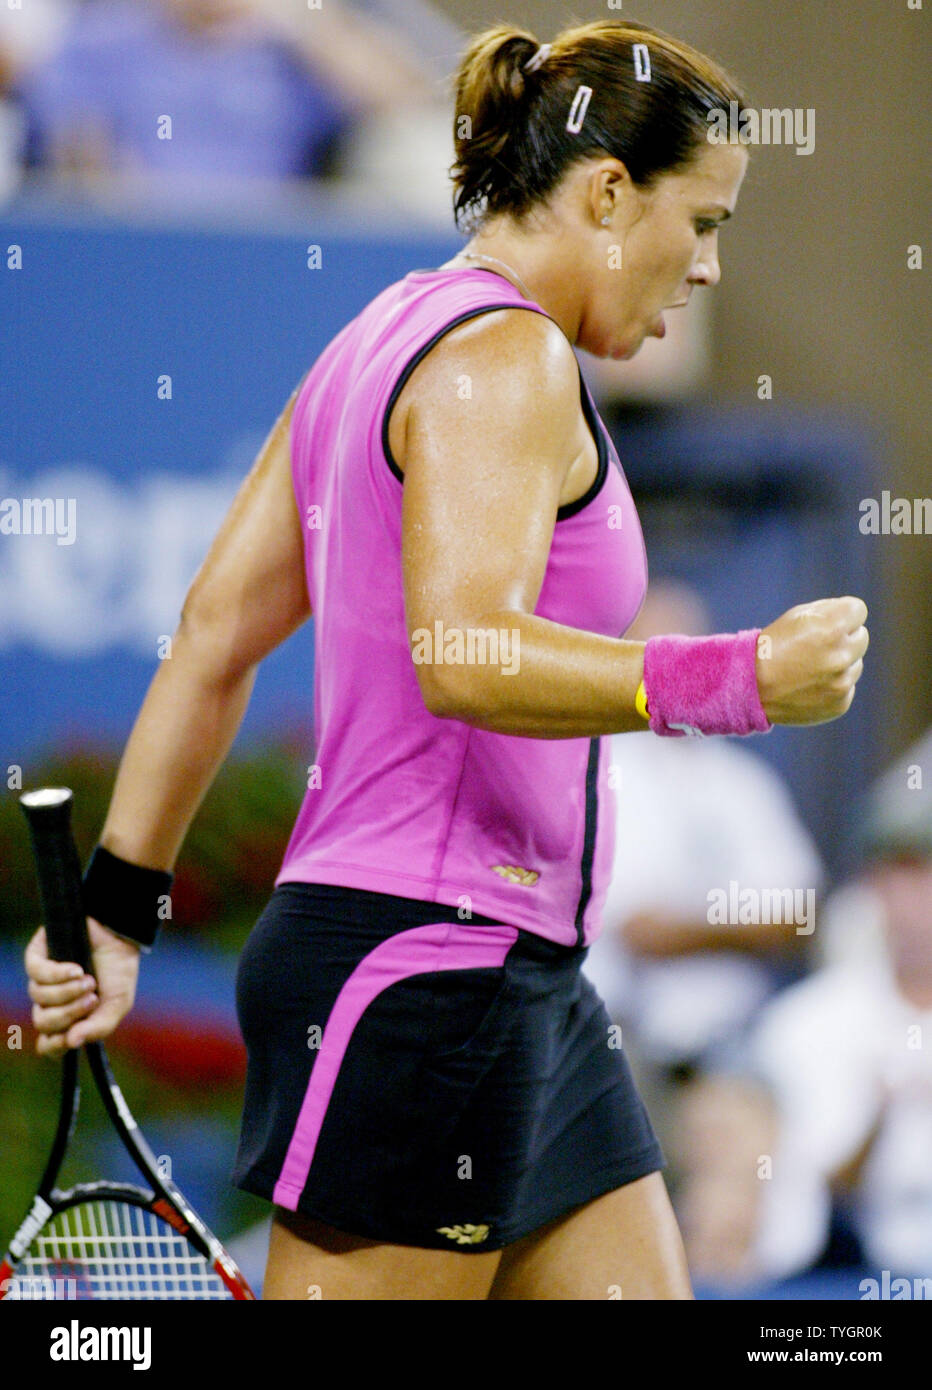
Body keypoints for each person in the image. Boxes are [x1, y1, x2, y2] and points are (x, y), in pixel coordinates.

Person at [24, 19, 869, 1301]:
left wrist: (119, 903)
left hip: (523, 977)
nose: (704, 268)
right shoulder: (504, 357)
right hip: (422, 973)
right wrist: (736, 677)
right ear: (602, 194)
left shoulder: (378, 335)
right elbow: (461, 655)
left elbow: (210, 635)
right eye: (699, 223)